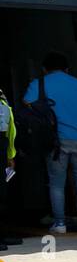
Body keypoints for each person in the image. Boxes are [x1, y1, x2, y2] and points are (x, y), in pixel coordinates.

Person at [24, 52, 77, 235]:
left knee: (56, 182)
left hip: (55, 140)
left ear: (44, 69)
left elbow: (27, 105)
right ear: (67, 68)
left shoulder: (38, 84)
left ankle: (60, 222)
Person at [0, 88, 19, 251]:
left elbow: (8, 131)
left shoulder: (2, 100)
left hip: (2, 148)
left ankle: (3, 233)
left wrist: (10, 155)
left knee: (2, 195)